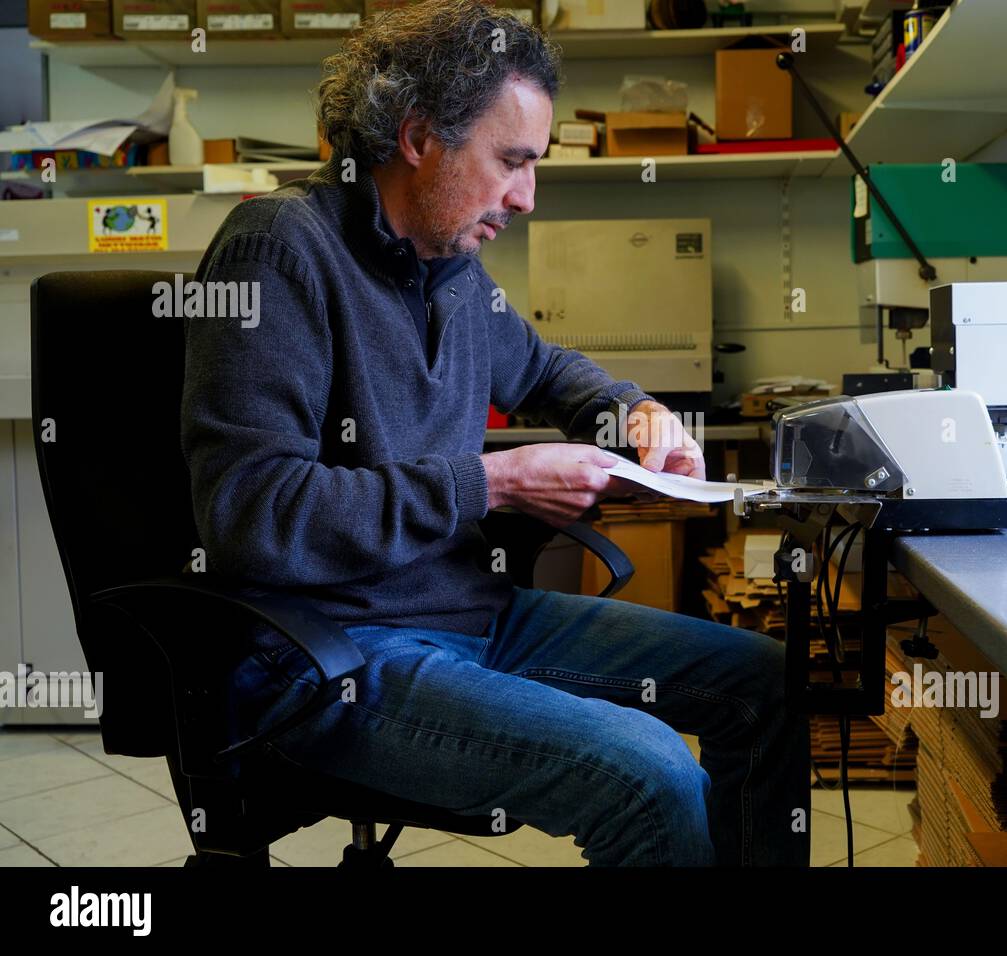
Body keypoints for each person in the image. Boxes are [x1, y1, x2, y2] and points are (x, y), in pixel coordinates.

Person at [183, 0, 809, 866]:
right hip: (330, 657)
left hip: (472, 616)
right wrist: (496, 483)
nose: (528, 195)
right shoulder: (280, 251)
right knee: (652, 772)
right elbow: (252, 515)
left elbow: (550, 373)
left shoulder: (455, 269)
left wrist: (634, 411)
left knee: (771, 684)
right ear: (416, 137)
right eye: (511, 161)